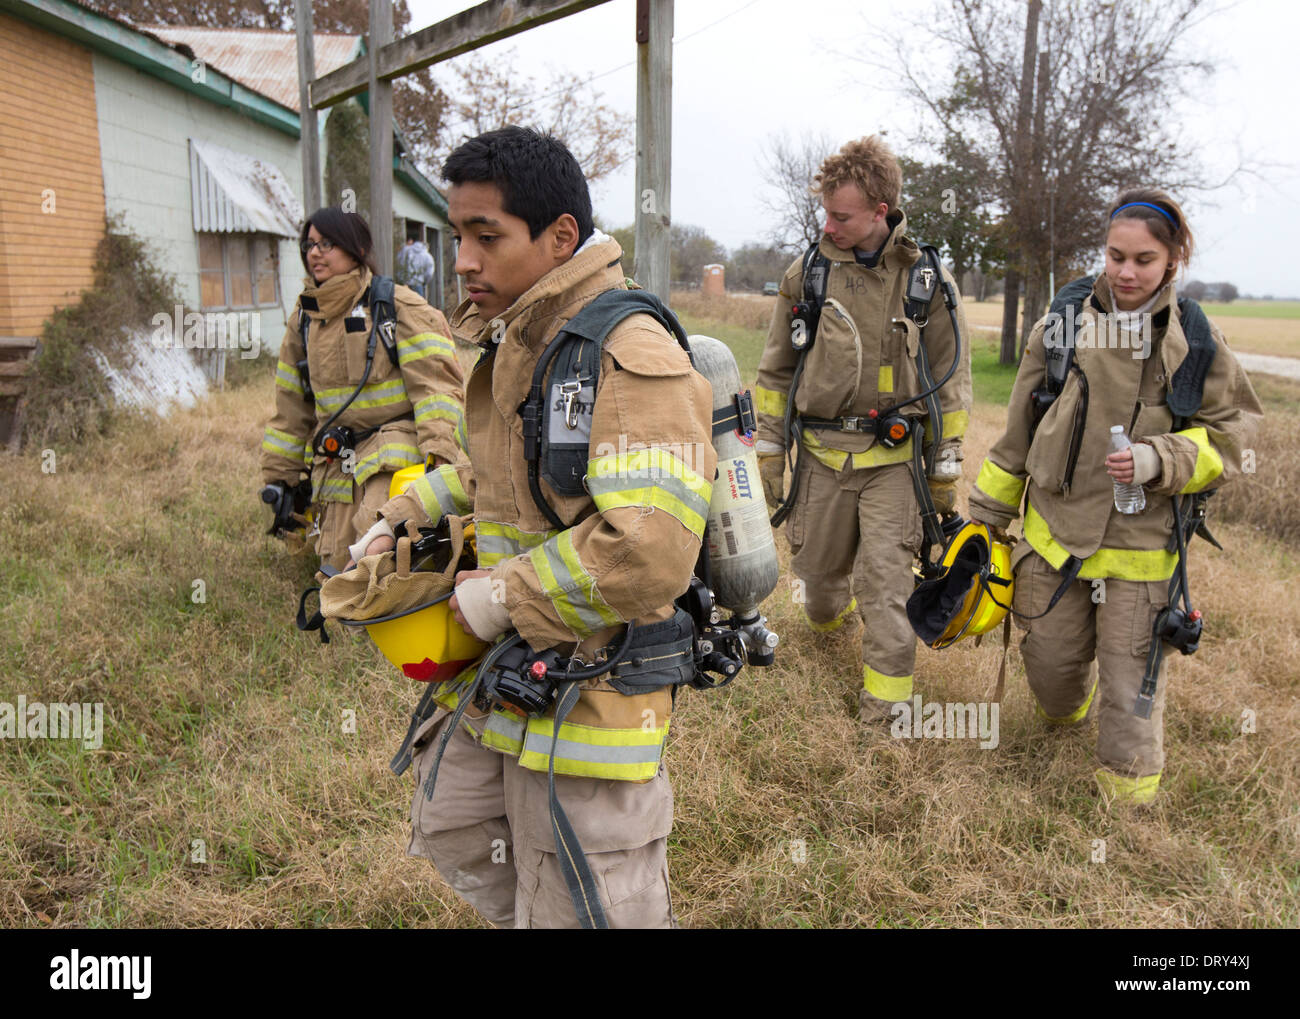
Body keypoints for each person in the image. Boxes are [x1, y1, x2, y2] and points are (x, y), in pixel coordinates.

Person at [353, 127, 716, 928]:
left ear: (559, 238)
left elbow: (647, 547)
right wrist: (404, 513)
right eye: (458, 236)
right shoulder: (522, 339)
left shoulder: (627, 352)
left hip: (594, 700)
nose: (465, 261)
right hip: (512, 683)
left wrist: (500, 598)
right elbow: (494, 472)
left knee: (584, 905)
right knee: (454, 818)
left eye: (488, 237)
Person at [968, 188, 1263, 804]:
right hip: (1054, 540)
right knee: (1049, 673)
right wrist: (987, 516)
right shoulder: (1062, 324)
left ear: (1172, 262)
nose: (1127, 272)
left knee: (1131, 690)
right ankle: (1067, 715)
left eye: (1144, 260)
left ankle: (1126, 808)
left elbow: (1232, 439)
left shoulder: (1197, 342)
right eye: (1115, 255)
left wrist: (1162, 458)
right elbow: (1020, 427)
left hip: (1140, 549)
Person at [754, 135, 972, 721]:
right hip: (822, 457)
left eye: (842, 215)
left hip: (895, 465)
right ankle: (831, 625)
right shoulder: (809, 275)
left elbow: (952, 379)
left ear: (882, 211)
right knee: (819, 588)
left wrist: (946, 463)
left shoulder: (927, 280)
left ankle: (885, 717)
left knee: (885, 590)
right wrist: (770, 451)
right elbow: (775, 370)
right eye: (826, 211)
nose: (830, 224)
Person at [260, 208, 465, 570]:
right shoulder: (305, 318)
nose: (315, 253)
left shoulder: (394, 305)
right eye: (309, 244)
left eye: (327, 243)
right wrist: (281, 478)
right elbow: (290, 404)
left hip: (393, 451)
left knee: (379, 554)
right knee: (337, 568)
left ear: (355, 249)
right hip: (336, 458)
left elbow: (437, 390)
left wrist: (441, 458)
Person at [396, 231, 436, 299]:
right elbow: (429, 273)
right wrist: (424, 281)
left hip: (405, 284)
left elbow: (398, 262)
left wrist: (401, 279)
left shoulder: (405, 250)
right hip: (418, 284)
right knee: (418, 306)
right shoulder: (427, 256)